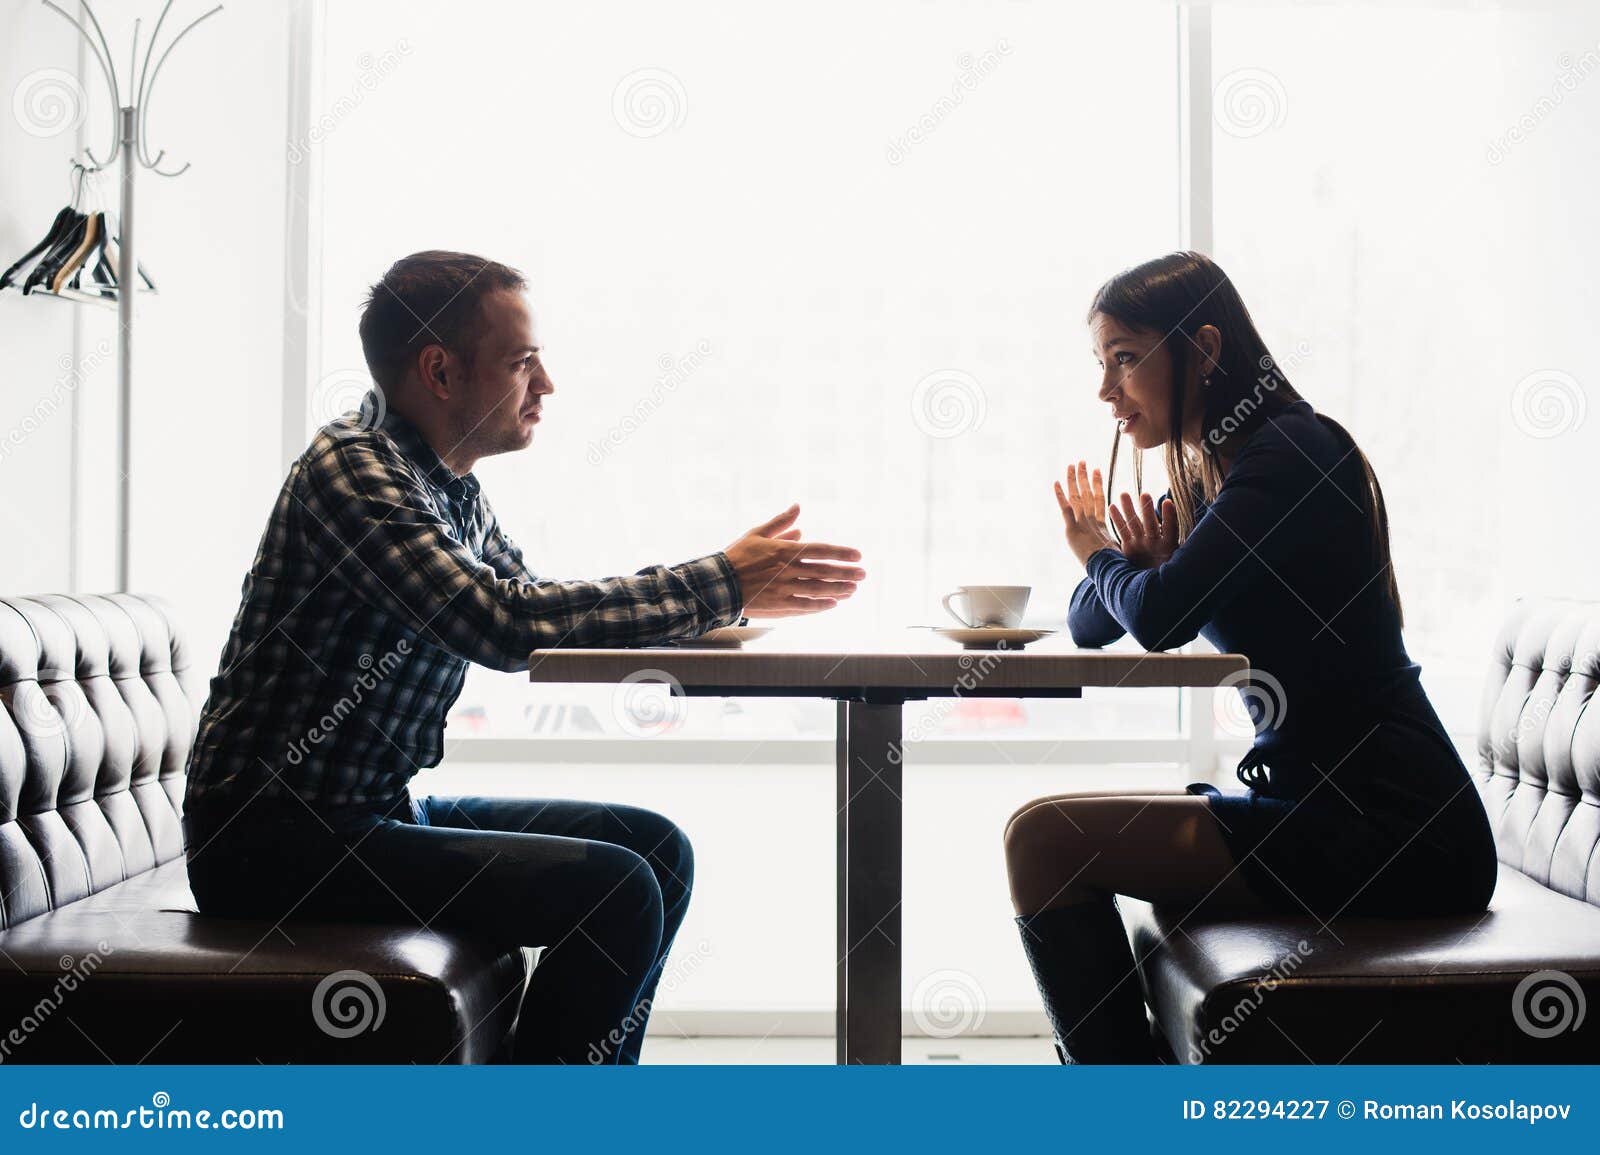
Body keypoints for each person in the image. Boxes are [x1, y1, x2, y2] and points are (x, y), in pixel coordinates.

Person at [182, 250, 866, 1064]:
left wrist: (727, 601)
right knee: (615, 890)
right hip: (272, 842)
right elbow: (501, 623)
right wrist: (717, 581)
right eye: (522, 362)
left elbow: (541, 607)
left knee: (658, 850)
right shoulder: (354, 471)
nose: (546, 384)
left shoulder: (446, 484)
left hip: (369, 811)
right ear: (440, 370)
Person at [1003, 251, 1497, 1063]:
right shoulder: (1217, 476)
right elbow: (1096, 622)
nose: (1105, 391)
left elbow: (1153, 615)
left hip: (1398, 827)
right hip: (1322, 806)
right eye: (1100, 364)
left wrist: (1103, 554)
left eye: (1124, 358)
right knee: (1042, 837)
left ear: (1201, 349)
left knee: (1045, 840)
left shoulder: (1289, 455)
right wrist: (1123, 566)